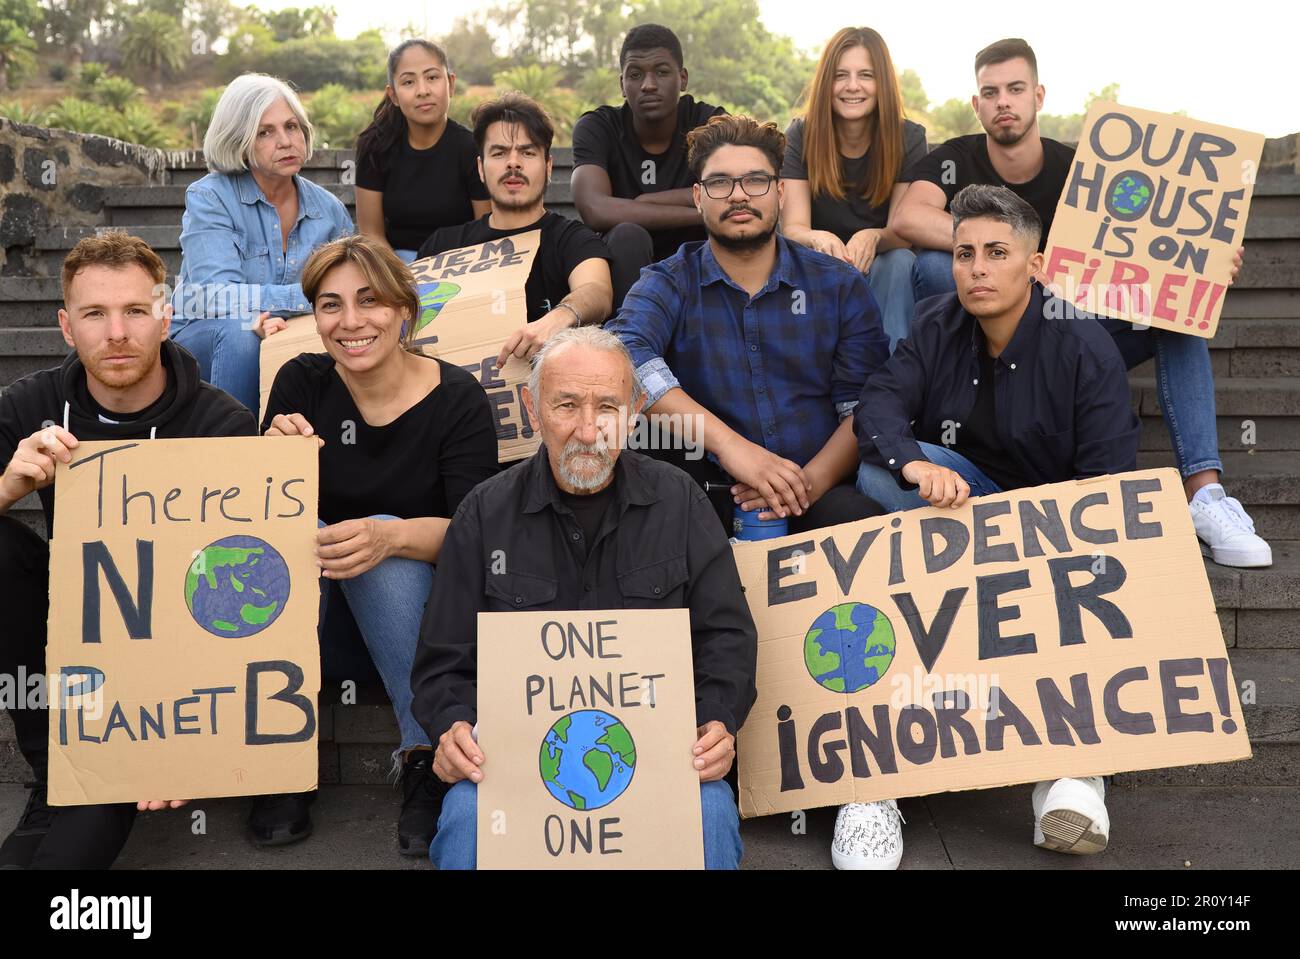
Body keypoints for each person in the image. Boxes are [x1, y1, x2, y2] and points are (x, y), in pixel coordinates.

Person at [891, 38, 1270, 568]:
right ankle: (956, 411)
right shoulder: (956, 158)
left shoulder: (1079, 168)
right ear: (976, 104)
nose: (1004, 101)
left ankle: (1204, 493)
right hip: (984, 343)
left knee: (1177, 314)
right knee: (933, 265)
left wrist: (1201, 264)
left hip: (1071, 328)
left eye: (1016, 89)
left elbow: (1146, 249)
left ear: (1039, 95)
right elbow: (907, 219)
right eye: (991, 92)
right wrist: (1006, 250)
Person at [852, 184, 1139, 866]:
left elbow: (1109, 491)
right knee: (875, 474)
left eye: (996, 253)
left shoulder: (1084, 347)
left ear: (1034, 264)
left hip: (1057, 538)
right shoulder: (935, 323)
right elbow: (879, 404)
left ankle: (1070, 778)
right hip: (958, 516)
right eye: (963, 253)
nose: (976, 268)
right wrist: (918, 467)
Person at [411, 327, 758, 869]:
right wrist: (451, 726)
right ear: (531, 407)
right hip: (516, 764)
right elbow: (443, 658)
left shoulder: (680, 502)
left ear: (636, 411)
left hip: (660, 757)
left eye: (608, 407)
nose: (588, 429)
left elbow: (727, 635)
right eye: (566, 405)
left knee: (708, 817)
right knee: (465, 823)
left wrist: (718, 720)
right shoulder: (484, 513)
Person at [0, 232, 255, 869]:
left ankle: (87, 786)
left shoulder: (219, 421)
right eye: (94, 314)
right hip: (71, 633)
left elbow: (246, 599)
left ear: (165, 316)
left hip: (173, 646)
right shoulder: (29, 404)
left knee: (67, 853)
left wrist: (182, 734)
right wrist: (8, 484)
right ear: (65, 326)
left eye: (135, 312)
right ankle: (50, 770)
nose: (117, 333)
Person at [261, 235, 498, 855]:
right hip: (312, 624)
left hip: (418, 625)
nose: (351, 321)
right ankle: (280, 755)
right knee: (307, 543)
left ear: (402, 310)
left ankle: (425, 754)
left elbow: (481, 541)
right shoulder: (301, 383)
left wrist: (389, 535)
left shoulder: (458, 399)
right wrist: (271, 456)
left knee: (380, 548)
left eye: (370, 301)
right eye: (330, 305)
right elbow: (261, 522)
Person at [606, 114, 889, 536]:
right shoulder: (670, 280)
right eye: (721, 183)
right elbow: (623, 352)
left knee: (863, 523)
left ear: (779, 193)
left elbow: (863, 406)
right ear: (699, 198)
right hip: (707, 491)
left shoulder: (837, 284)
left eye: (755, 181)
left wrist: (803, 486)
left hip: (817, 485)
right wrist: (732, 448)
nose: (739, 196)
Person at [170, 73, 354, 419]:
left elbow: (346, 292)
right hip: (206, 336)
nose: (285, 141)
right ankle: (234, 456)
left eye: (291, 127)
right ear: (239, 140)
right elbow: (213, 296)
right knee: (240, 334)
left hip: (290, 331)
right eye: (265, 132)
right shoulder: (210, 197)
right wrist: (302, 300)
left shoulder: (329, 210)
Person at [417, 93, 614, 371]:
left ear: (547, 167)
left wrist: (558, 318)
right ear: (480, 169)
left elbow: (597, 290)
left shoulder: (572, 238)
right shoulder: (443, 246)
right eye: (499, 153)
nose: (513, 163)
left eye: (527, 152)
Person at [780, 27, 928, 350]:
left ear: (883, 83)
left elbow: (903, 231)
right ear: (826, 83)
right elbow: (792, 228)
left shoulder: (909, 137)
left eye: (866, 75)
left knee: (900, 261)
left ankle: (893, 379)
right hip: (819, 261)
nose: (852, 86)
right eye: (840, 75)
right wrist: (818, 237)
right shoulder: (800, 135)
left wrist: (873, 236)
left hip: (882, 263)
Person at [571, 23, 725, 300]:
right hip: (622, 265)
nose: (648, 85)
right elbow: (594, 208)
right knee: (628, 235)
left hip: (697, 259)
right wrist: (702, 211)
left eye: (662, 72)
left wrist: (645, 203)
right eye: (635, 74)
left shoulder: (708, 123)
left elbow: (728, 189)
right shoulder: (599, 126)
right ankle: (628, 337)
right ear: (622, 84)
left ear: (683, 79)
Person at [355, 39, 491, 262]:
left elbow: (483, 231)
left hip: (462, 263)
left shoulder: (471, 148)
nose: (422, 91)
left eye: (432, 77)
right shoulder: (375, 147)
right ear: (394, 96)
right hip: (394, 266)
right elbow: (371, 233)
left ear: (451, 84)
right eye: (408, 82)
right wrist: (402, 279)